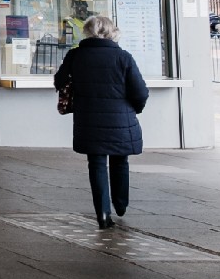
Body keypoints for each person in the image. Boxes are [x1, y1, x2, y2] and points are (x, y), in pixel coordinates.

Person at [53, 13, 149, 229]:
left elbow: (59, 81)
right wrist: (135, 109)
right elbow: (140, 92)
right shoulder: (123, 57)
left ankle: (103, 214)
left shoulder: (75, 56)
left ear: (87, 32)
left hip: (88, 120)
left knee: (96, 164)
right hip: (121, 120)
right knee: (119, 161)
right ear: (111, 32)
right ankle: (121, 203)